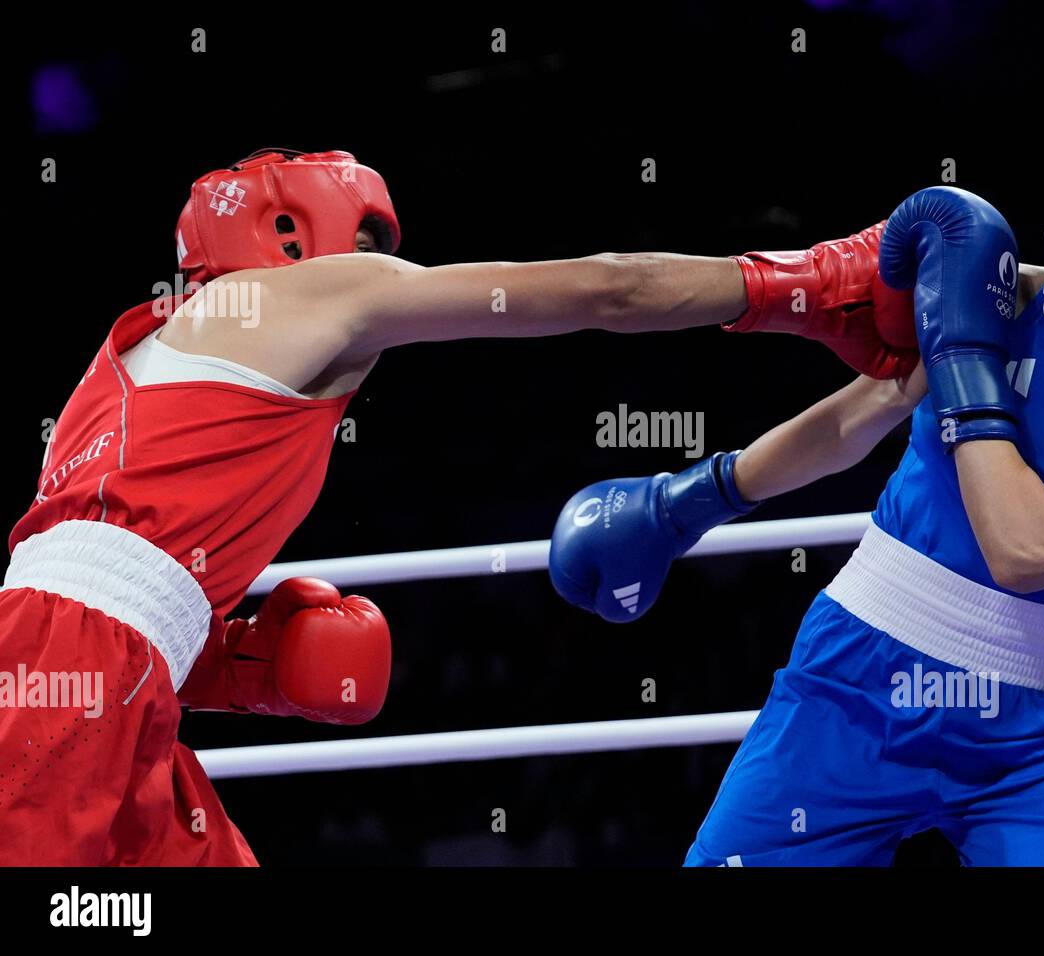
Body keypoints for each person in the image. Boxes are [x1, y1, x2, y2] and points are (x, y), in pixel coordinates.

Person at [0, 147, 914, 865]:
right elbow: (609, 287)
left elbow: (91, 598)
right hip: (76, 678)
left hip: (113, 683)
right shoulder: (304, 293)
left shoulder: (125, 372)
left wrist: (244, 668)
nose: (383, 271)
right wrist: (813, 282)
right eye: (365, 247)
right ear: (289, 236)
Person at [548, 103, 1044, 866]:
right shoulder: (1013, 299)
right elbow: (857, 419)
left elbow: (1031, 548)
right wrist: (690, 501)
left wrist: (966, 363)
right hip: (851, 688)